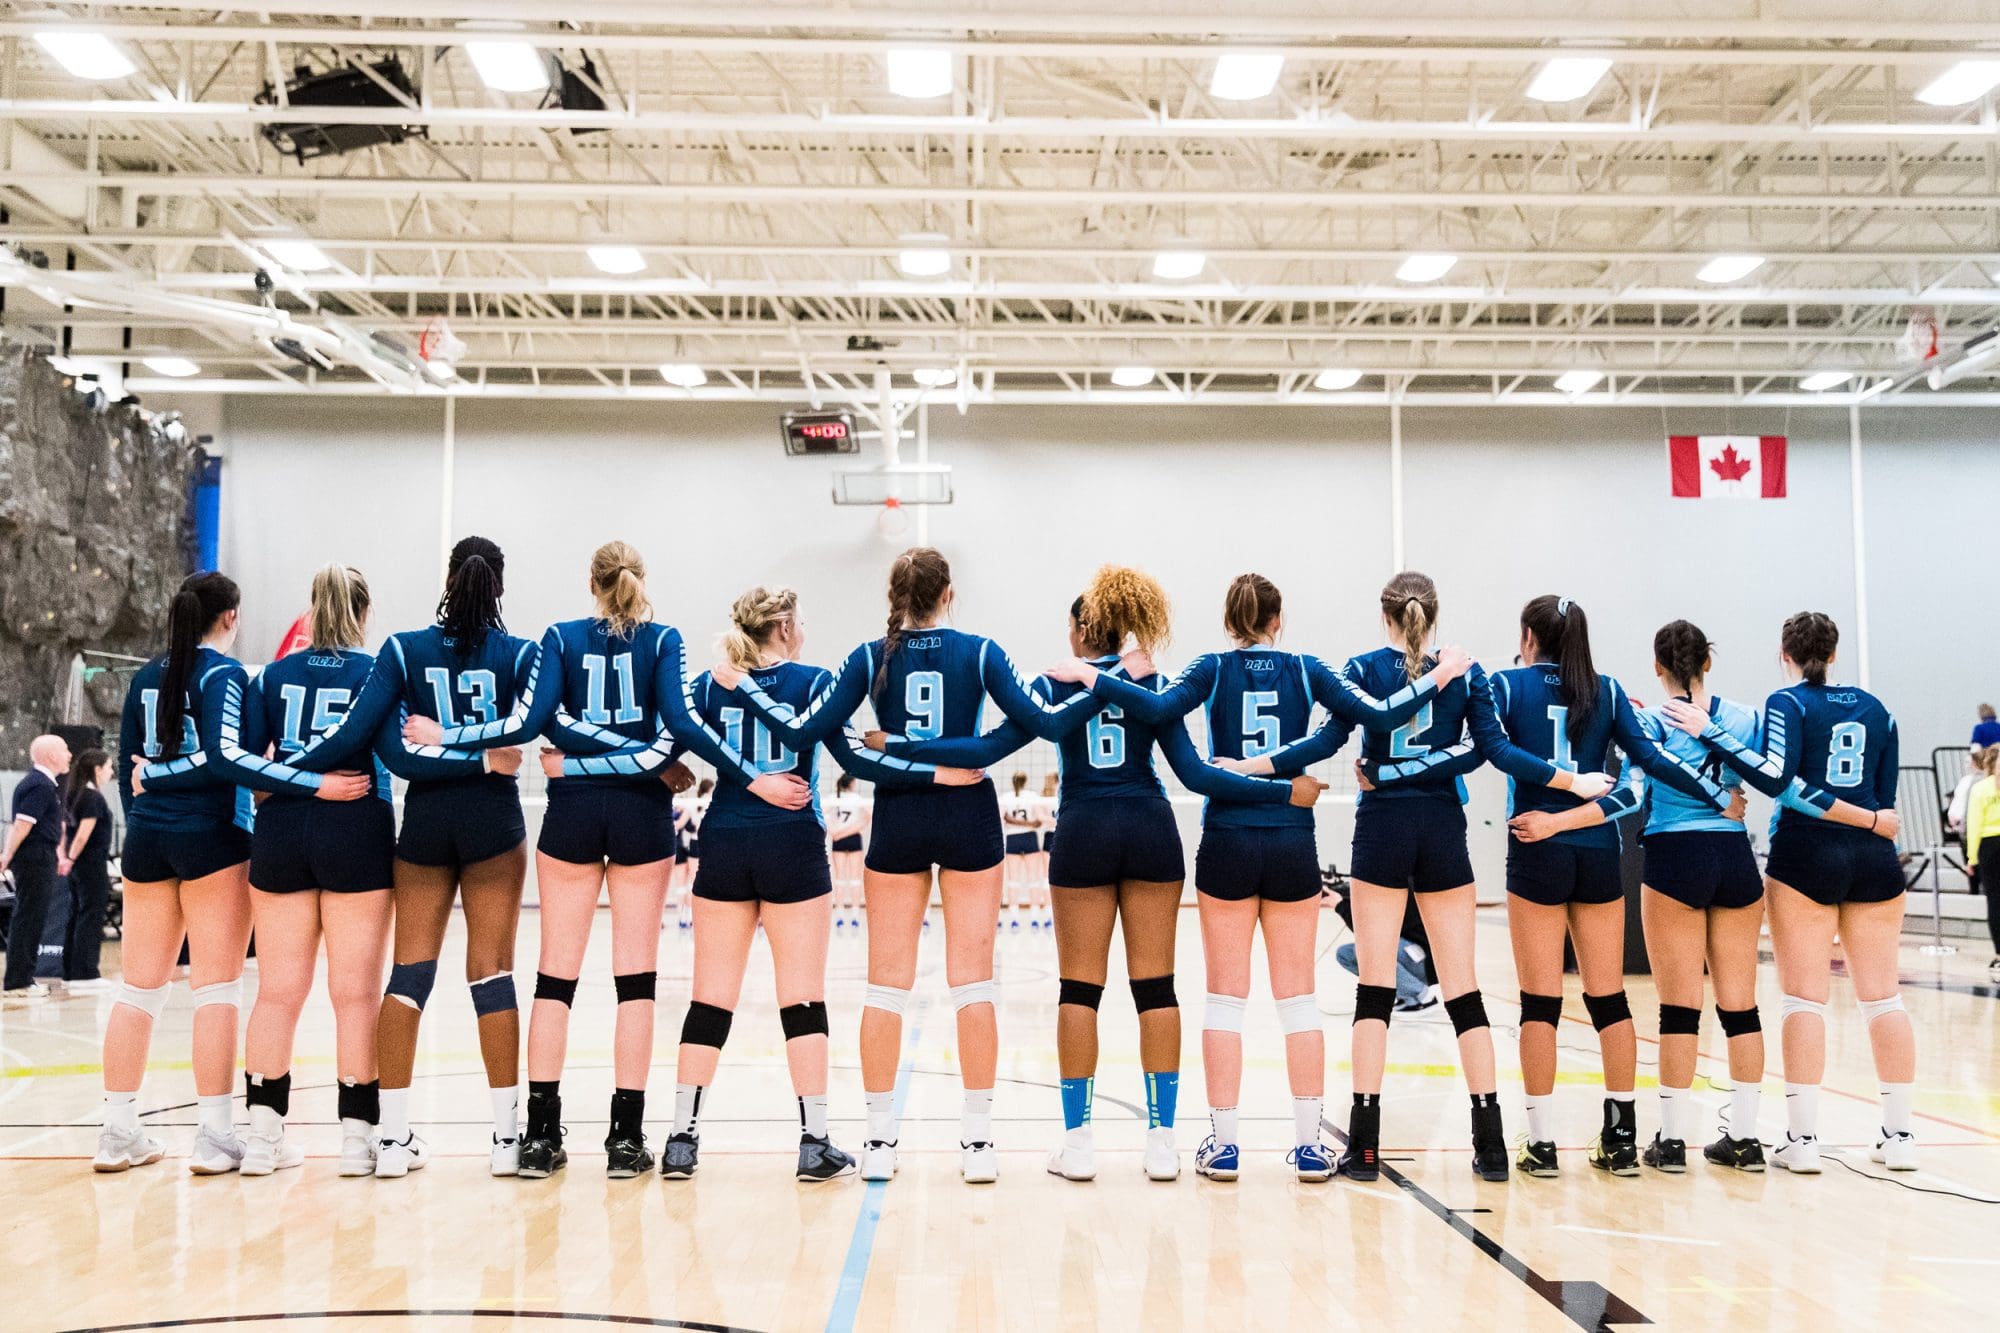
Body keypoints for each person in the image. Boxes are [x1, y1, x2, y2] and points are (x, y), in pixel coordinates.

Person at [875, 566, 1316, 1183]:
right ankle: (1162, 1144)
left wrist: (902, 746)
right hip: (1149, 827)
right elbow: (1194, 770)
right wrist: (1279, 794)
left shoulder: (1052, 683)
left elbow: (992, 746)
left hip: (1083, 828)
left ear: (1082, 630)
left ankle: (1079, 1144)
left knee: (1080, 991)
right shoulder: (1152, 684)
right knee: (1155, 989)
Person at [403, 541, 802, 1181]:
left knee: (554, 981)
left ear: (590, 582)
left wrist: (452, 735)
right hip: (642, 815)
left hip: (573, 812)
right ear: (641, 581)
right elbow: (678, 734)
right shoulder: (664, 640)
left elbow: (533, 724)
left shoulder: (559, 639)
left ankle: (538, 1135)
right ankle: (624, 1138)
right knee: (635, 983)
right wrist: (739, 775)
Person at [711, 546, 1102, 1184]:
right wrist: (963, 755)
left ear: (896, 596)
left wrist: (905, 749)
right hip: (969, 810)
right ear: (949, 594)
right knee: (973, 983)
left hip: (898, 813)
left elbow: (814, 735)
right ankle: (978, 1144)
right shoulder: (980, 652)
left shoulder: (869, 656)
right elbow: (1038, 725)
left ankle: (881, 1144)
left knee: (884, 986)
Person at [1049, 572, 1457, 1182]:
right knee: (1298, 1001)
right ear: (1278, 619)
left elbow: (1161, 713)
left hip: (1227, 842)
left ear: (1228, 619)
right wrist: (1438, 675)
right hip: (1291, 839)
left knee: (1224, 1000)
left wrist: (1094, 675)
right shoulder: (1306, 667)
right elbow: (1355, 720)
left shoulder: (1209, 668)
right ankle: (1311, 1145)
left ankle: (1225, 1143)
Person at [564, 584, 974, 1180]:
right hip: (792, 846)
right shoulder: (815, 683)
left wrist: (579, 762)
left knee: (710, 999)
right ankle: (815, 1143)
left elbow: (661, 745)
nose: (805, 627)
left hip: (725, 841)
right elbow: (857, 760)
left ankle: (681, 1138)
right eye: (801, 618)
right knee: (802, 999)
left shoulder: (708, 685)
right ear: (783, 626)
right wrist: (936, 773)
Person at [1222, 571, 1590, 1183]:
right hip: (1443, 827)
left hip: (1384, 832)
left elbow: (1324, 741)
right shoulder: (1463, 669)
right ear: (1433, 613)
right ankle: (1491, 1145)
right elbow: (1484, 749)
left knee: (1374, 991)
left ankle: (1364, 1146)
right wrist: (1424, 766)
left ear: (1384, 615)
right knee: (1463, 990)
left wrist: (1258, 765)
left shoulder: (1363, 669)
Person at [279, 537, 538, 1179]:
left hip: (424, 822)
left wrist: (283, 770)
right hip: (493, 821)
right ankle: (507, 1141)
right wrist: (481, 756)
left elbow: (380, 749)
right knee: (491, 973)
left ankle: (391, 1143)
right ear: (499, 588)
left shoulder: (403, 649)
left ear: (447, 578)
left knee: (409, 975)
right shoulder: (522, 654)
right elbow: (524, 740)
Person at [136, 566, 395, 1177]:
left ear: (310, 610)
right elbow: (393, 752)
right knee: (354, 995)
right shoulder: (377, 672)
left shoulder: (269, 676)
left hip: (280, 834)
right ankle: (357, 1145)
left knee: (277, 993)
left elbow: (246, 763)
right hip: (356, 822)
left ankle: (261, 1141)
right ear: (363, 612)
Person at [1481, 595, 1745, 1179]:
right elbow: (1650, 760)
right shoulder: (1608, 689)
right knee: (1609, 1000)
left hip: (1536, 848)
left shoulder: (1505, 685)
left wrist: (1560, 788)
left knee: (1540, 1003)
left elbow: (1492, 749)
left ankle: (1543, 1143)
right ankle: (1621, 1138)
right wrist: (1717, 796)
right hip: (1599, 855)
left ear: (1528, 636)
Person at [1662, 611, 1914, 1173]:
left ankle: (1802, 1142)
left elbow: (1778, 782)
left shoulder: (1788, 703)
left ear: (1786, 654)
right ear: (1835, 651)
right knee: (1884, 998)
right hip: (1874, 861)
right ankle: (1900, 1135)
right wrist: (1870, 824)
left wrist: (1712, 733)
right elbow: (1886, 798)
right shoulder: (1880, 710)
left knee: (1804, 998)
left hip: (1807, 856)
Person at [3, 734, 72, 999]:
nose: (69, 755)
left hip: (39, 856)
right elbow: (22, 824)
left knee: (31, 917)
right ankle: (18, 981)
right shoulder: (39, 785)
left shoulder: (43, 784)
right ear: (52, 755)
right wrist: (6, 856)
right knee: (28, 918)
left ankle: (21, 978)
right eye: (65, 750)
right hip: (34, 858)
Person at [59, 749, 117, 993]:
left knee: (77, 914)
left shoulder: (75, 795)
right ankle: (86, 972)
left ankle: (71, 971)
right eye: (109, 767)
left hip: (78, 865)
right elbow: (83, 834)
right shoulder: (93, 798)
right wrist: (70, 857)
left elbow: (65, 832)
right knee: (91, 915)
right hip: (90, 863)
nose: (111, 772)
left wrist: (65, 857)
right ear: (97, 769)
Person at [1963, 753, 2000, 973]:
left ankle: (1999, 954)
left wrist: (1972, 858)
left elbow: (1974, 824)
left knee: (1995, 902)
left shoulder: (1980, 789)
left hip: (1990, 847)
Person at [828, 773, 870, 928]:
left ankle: (839, 915)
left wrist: (837, 832)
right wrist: (855, 828)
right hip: (853, 838)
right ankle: (855, 916)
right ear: (852, 783)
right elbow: (869, 815)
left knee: (839, 879)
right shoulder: (857, 798)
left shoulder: (833, 797)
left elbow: (824, 816)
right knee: (855, 879)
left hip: (838, 838)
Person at [999, 772, 1040, 930]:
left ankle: (1014, 919)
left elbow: (1003, 818)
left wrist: (1013, 821)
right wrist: (1028, 824)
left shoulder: (1005, 797)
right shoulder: (1033, 796)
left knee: (1013, 880)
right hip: (1030, 838)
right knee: (1034, 879)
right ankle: (1034, 919)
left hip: (1012, 839)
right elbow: (1038, 821)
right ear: (1026, 781)